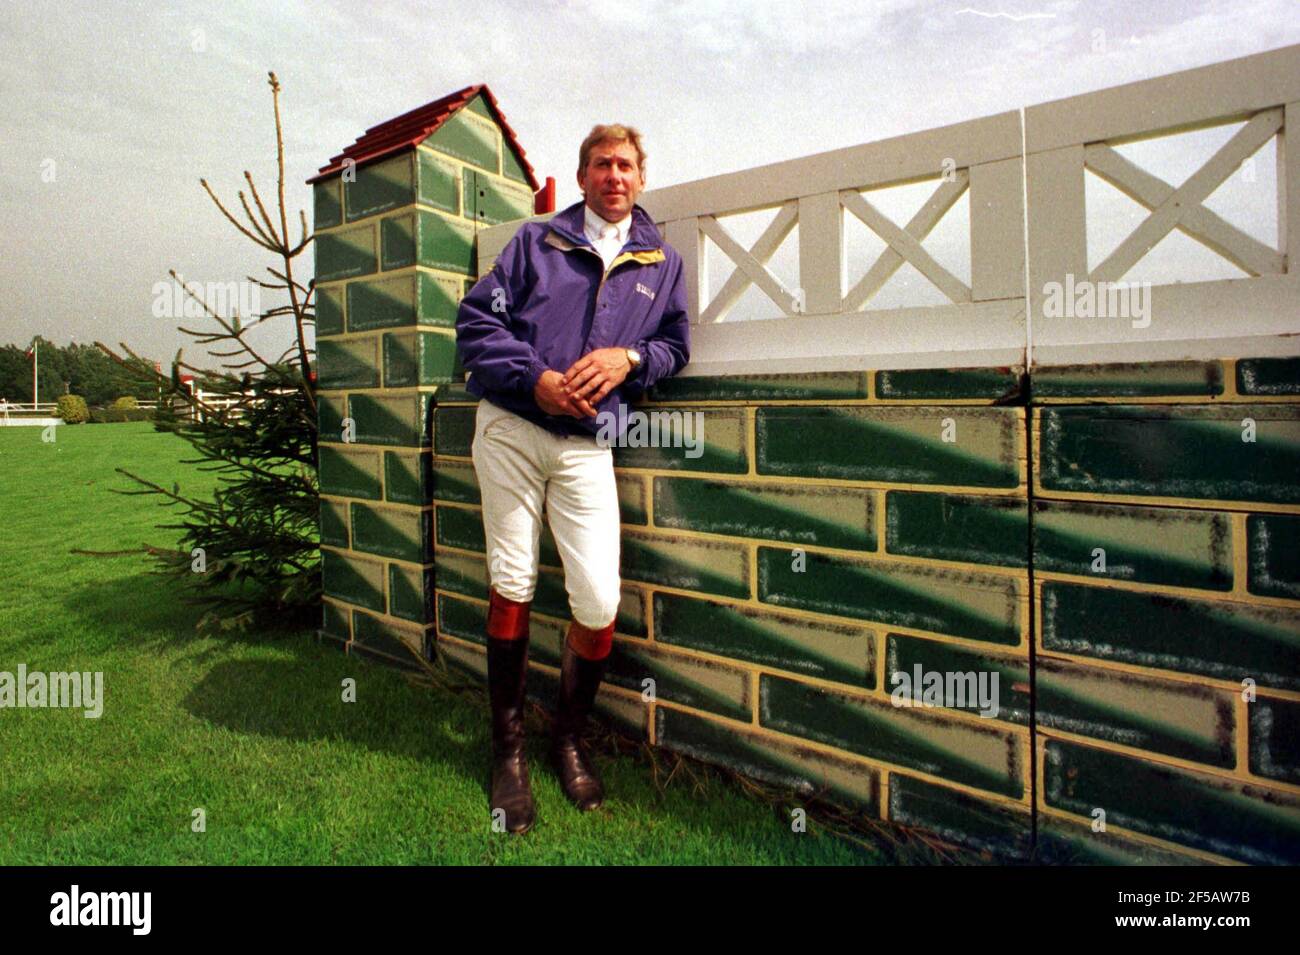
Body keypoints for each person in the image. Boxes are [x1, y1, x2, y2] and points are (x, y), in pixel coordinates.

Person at [455, 123, 691, 834]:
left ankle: (568, 738)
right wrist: (539, 378)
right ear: (582, 176)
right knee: (514, 578)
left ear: (640, 178)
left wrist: (630, 360)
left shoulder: (663, 261)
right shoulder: (535, 242)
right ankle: (509, 753)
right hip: (512, 429)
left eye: (625, 165)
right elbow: (475, 323)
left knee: (597, 599)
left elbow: (676, 345)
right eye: (600, 164)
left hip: (590, 443)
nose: (613, 175)